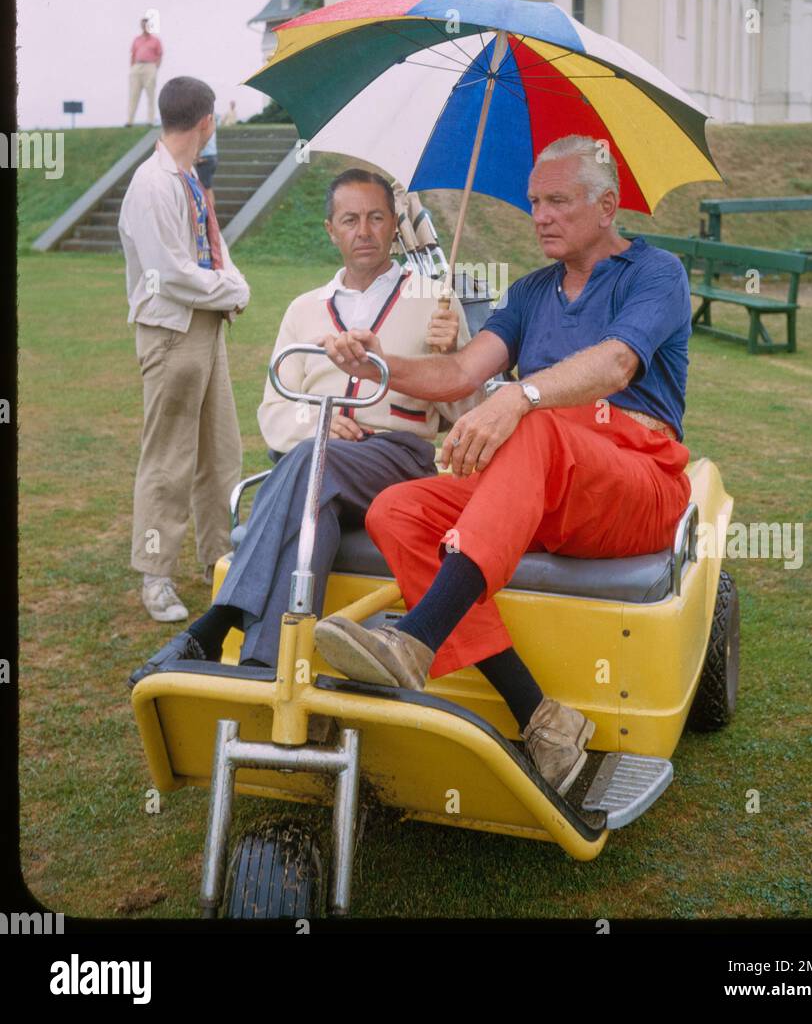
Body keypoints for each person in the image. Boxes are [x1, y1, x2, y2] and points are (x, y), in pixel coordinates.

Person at [313, 134, 694, 796]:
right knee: (396, 509)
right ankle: (539, 715)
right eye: (533, 202)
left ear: (606, 206)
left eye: (557, 201)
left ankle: (417, 638)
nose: (539, 215)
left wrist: (520, 394)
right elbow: (459, 370)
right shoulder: (529, 291)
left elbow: (614, 364)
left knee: (534, 424)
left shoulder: (656, 273)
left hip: (633, 483)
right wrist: (376, 362)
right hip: (542, 479)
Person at [128, 168, 484, 688]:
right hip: (321, 463)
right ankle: (269, 669)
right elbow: (275, 409)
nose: (363, 230)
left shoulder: (435, 301)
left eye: (376, 217)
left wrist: (452, 353)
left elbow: (469, 415)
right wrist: (318, 422)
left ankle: (220, 621)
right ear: (330, 229)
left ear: (393, 226)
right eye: (350, 219)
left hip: (399, 459)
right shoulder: (302, 310)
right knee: (312, 482)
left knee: (308, 466)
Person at [118, 76, 251, 623]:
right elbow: (168, 274)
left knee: (221, 452)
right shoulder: (152, 184)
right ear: (206, 123)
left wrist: (231, 285)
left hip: (206, 326)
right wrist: (233, 290)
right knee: (169, 458)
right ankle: (156, 575)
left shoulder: (188, 178)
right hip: (171, 330)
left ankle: (219, 559)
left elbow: (214, 250)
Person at [127, 15, 163, 126]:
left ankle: (150, 120)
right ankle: (130, 121)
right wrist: (132, 67)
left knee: (150, 95)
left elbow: (160, 54)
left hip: (150, 67)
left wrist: (156, 67)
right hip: (137, 67)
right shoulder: (136, 40)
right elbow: (132, 54)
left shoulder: (155, 40)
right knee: (133, 95)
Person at [195, 122, 218, 194]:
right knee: (208, 187)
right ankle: (211, 205)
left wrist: (197, 156)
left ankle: (209, 205)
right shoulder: (211, 125)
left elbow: (202, 141)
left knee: (205, 189)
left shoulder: (205, 126)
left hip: (205, 158)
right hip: (212, 156)